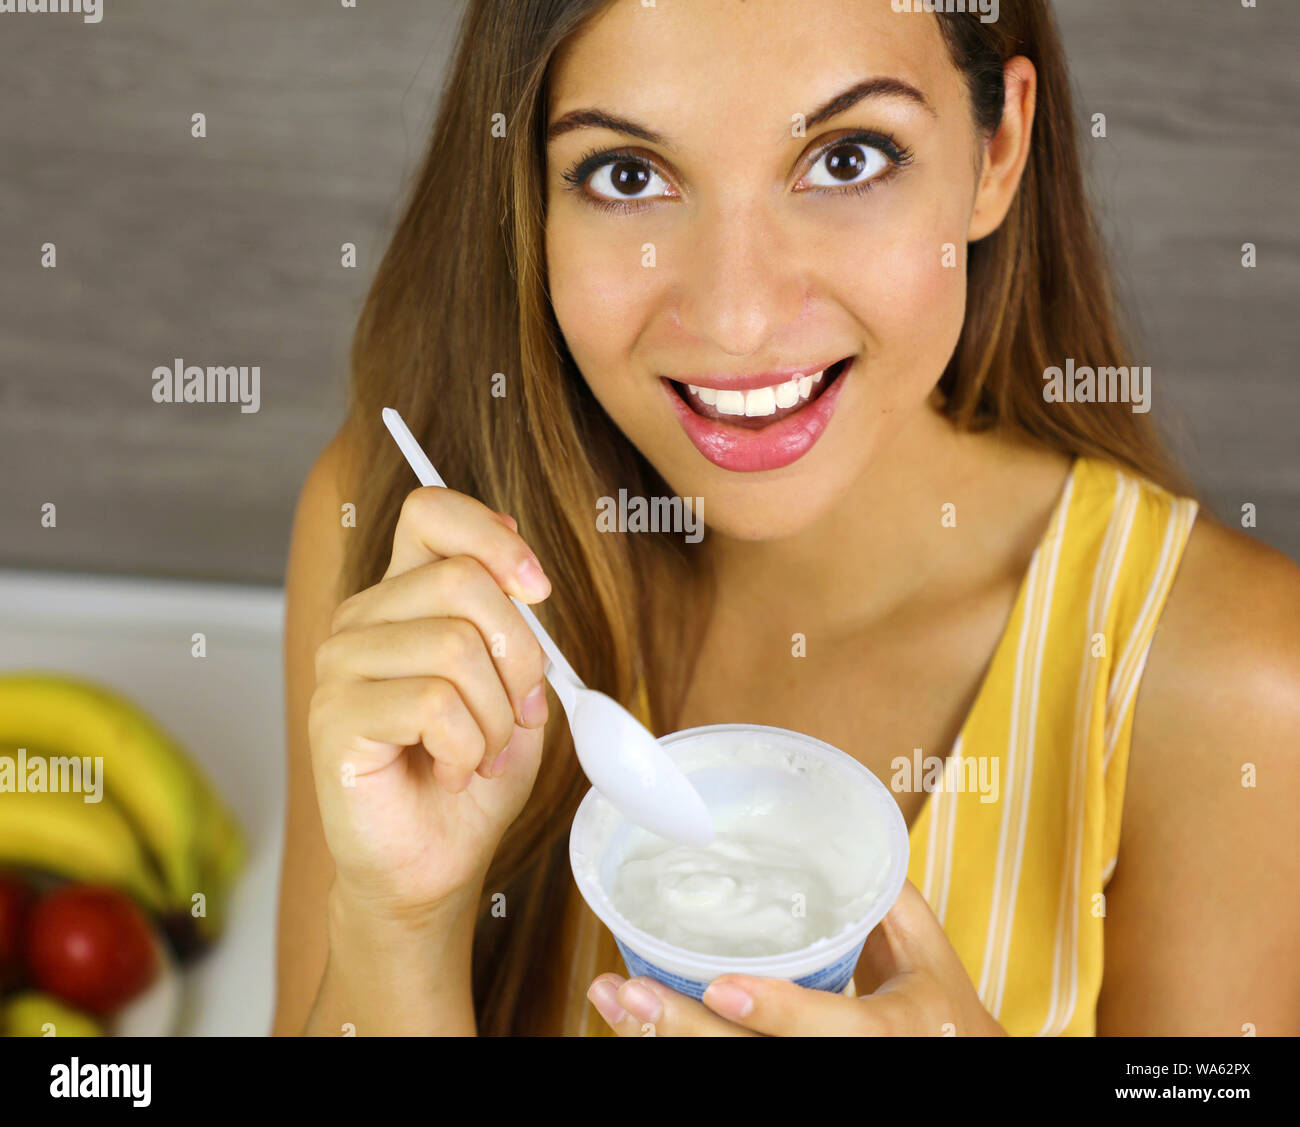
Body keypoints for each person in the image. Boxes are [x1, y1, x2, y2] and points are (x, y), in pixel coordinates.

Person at [273, 0, 1300, 1036]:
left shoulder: (1229, 680)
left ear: (996, 152)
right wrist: (401, 922)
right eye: (628, 174)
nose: (737, 316)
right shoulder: (413, 556)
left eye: (847, 159)